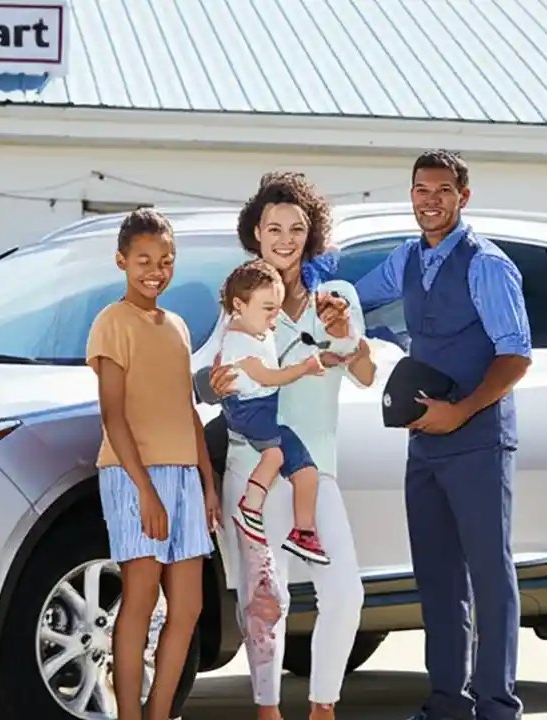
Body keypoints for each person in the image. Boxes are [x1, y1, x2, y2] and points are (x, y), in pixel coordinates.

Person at [353, 150, 532, 720]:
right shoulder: (407, 258)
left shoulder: (487, 264)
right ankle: (446, 704)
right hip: (423, 442)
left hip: (478, 440)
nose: (430, 200)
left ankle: (497, 707)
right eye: (420, 189)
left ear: (463, 197)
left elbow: (516, 356)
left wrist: (463, 409)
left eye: (443, 190)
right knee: (436, 577)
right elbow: (352, 294)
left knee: (489, 574)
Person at [196, 171, 376, 720]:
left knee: (345, 594)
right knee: (264, 601)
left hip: (312, 470)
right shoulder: (241, 299)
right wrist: (215, 383)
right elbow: (201, 379)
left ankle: (324, 707)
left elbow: (365, 374)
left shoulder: (335, 298)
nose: (285, 238)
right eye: (273, 227)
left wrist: (346, 336)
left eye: (297, 228)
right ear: (256, 231)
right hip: (250, 470)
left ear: (311, 233)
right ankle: (267, 710)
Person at [86, 208, 221, 720]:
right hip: (130, 474)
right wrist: (145, 490)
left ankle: (159, 711)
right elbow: (112, 416)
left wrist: (207, 484)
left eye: (165, 260)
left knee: (188, 608)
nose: (155, 270)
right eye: (144, 260)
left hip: (185, 476)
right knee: (139, 602)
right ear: (122, 261)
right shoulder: (111, 323)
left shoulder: (179, 326)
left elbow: (187, 411)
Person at [217, 258, 330, 564]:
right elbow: (268, 377)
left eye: (278, 307)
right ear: (239, 306)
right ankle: (250, 507)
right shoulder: (238, 342)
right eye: (268, 308)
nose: (275, 316)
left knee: (306, 470)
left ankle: (303, 532)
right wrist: (303, 368)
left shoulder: (256, 330)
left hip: (266, 408)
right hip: (249, 411)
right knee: (275, 455)